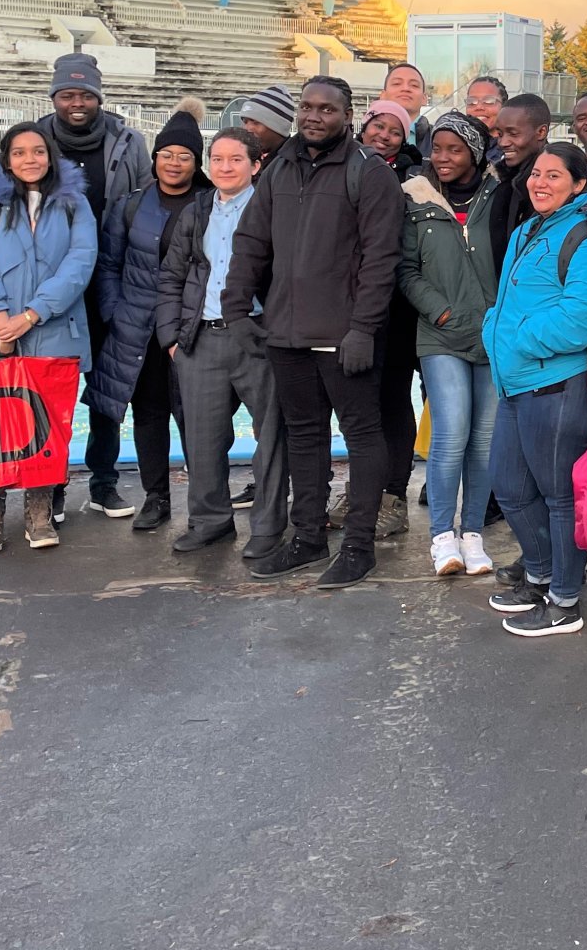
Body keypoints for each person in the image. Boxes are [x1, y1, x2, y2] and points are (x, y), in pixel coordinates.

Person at [223, 75, 403, 591]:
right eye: (307, 107)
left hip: (345, 334)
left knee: (361, 435)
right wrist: (237, 308)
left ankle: (358, 546)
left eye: (327, 109)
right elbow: (252, 241)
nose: (314, 116)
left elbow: (380, 260)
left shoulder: (369, 174)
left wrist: (363, 329)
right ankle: (308, 537)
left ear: (349, 115)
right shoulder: (279, 168)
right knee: (304, 435)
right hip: (286, 332)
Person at [0, 124, 97, 553]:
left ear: (50, 156)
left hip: (51, 332)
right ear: (6, 158)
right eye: (19, 152)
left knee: (45, 427)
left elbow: (80, 262)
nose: (30, 159)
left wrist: (33, 313)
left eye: (38, 151)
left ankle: (39, 510)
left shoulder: (73, 205)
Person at [481, 142, 587, 636]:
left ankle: (564, 600)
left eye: (554, 176)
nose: (540, 183)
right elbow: (507, 300)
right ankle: (538, 575)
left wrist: (516, 339)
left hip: (559, 385)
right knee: (511, 487)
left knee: (560, 497)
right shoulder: (527, 231)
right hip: (518, 380)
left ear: (579, 184)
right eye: (536, 174)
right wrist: (494, 331)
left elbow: (582, 318)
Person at [156, 128, 291, 557]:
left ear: (256, 165)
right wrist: (171, 338)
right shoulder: (196, 212)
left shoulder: (273, 210)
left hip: (256, 336)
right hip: (201, 339)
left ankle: (268, 525)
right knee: (202, 438)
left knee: (271, 437)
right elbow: (171, 277)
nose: (225, 167)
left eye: (236, 159)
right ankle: (210, 521)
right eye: (217, 159)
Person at [36, 52, 149, 521]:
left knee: (108, 389)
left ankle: (104, 481)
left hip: (109, 281)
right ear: (55, 97)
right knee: (52, 393)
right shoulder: (33, 141)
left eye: (86, 94)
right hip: (52, 288)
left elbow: (146, 202)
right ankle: (52, 486)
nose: (77, 103)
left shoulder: (127, 141)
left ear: (99, 97)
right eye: (68, 94)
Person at [87, 98, 208, 533]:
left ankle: (205, 502)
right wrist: (115, 311)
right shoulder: (131, 206)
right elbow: (108, 265)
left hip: (191, 330)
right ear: (154, 158)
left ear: (197, 162)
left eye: (184, 156)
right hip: (137, 329)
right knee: (149, 414)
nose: (174, 163)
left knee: (197, 417)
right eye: (166, 155)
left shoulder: (212, 204)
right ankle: (156, 497)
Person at [399, 111, 500, 578]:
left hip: (493, 335)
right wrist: (440, 311)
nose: (441, 158)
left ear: (475, 154)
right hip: (439, 333)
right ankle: (443, 536)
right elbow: (405, 270)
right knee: (451, 433)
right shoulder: (414, 199)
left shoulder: (499, 196)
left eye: (453, 149)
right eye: (436, 149)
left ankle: (473, 533)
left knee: (484, 442)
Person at [348, 96, 422, 538]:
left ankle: (392, 495)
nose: (385, 136)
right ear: (365, 124)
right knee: (359, 404)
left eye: (395, 132)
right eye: (380, 127)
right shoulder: (345, 162)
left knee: (393, 400)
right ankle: (363, 491)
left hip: (396, 306)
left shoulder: (415, 178)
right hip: (349, 303)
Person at [488, 94, 552, 270]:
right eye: (500, 134)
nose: (503, 143)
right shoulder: (500, 180)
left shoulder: (558, 187)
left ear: (541, 132)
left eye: (513, 134)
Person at [380, 63, 432, 156]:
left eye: (414, 85)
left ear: (424, 99)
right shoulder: (369, 137)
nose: (406, 88)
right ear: (383, 95)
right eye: (397, 83)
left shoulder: (437, 139)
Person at [237, 85, 295, 167]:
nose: (247, 129)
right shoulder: (251, 158)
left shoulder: (293, 166)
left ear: (277, 126)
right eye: (245, 122)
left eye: (255, 122)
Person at [462, 76, 509, 167]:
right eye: (472, 102)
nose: (479, 107)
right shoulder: (457, 143)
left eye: (489, 101)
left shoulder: (513, 149)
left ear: (504, 106)